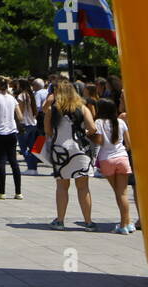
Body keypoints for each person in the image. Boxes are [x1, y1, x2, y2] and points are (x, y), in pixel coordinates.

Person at [46, 80, 99, 230]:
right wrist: (85, 134)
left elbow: (48, 132)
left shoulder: (53, 110)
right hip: (80, 150)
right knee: (83, 187)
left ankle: (60, 221)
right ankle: (88, 222)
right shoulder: (83, 108)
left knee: (62, 187)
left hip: (60, 150)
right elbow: (93, 128)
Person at [94, 99, 136, 234]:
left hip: (107, 159)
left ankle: (124, 224)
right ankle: (127, 223)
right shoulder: (121, 122)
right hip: (122, 158)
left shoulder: (99, 123)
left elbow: (99, 141)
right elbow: (129, 144)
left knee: (118, 193)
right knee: (123, 193)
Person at [0, 77, 22, 199]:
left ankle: (2, 191)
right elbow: (20, 116)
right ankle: (18, 192)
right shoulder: (12, 98)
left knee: (1, 161)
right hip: (12, 131)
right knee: (14, 162)